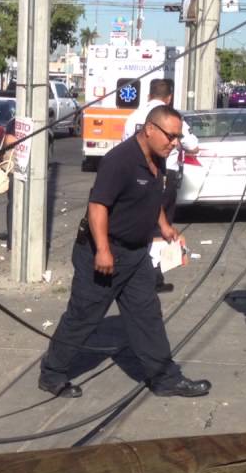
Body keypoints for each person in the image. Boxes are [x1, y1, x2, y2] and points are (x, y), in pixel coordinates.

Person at [38, 104, 211, 399]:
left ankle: (165, 379)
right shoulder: (120, 160)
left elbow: (149, 197)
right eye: (171, 136)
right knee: (84, 316)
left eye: (179, 137)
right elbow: (98, 206)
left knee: (147, 316)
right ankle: (52, 374)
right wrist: (103, 251)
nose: (175, 143)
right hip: (105, 252)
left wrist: (164, 224)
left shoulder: (157, 160)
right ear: (150, 129)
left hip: (135, 254)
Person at [120, 78, 199, 294]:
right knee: (159, 226)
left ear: (148, 94)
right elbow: (193, 146)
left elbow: (124, 144)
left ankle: (138, 271)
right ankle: (153, 274)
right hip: (164, 176)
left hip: (134, 175)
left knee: (140, 222)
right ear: (169, 97)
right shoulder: (172, 119)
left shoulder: (133, 117)